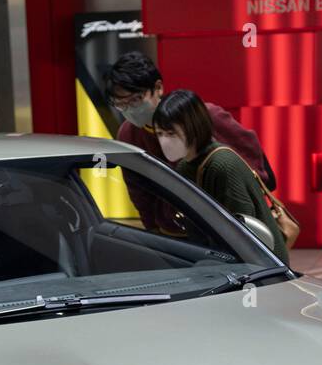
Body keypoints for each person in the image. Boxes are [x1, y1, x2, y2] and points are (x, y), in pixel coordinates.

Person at [104, 52, 269, 234]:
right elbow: (138, 191)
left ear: (158, 88)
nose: (129, 109)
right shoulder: (128, 134)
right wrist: (153, 231)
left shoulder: (203, 116)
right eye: (120, 104)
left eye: (135, 99)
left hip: (226, 227)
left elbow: (250, 159)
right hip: (175, 230)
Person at [153, 90, 288, 264]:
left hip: (260, 267)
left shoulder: (222, 165)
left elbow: (244, 234)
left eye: (171, 134)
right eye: (159, 134)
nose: (164, 141)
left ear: (194, 128)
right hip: (222, 262)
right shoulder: (184, 166)